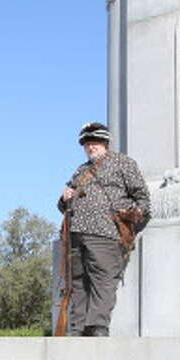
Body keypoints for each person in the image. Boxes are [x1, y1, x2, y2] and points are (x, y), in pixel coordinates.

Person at [57, 122, 150, 336]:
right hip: (76, 234)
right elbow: (62, 206)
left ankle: (97, 326)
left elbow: (143, 198)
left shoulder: (123, 163)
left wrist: (130, 219)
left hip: (105, 231)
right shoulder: (81, 170)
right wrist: (64, 198)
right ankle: (77, 328)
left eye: (95, 142)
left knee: (103, 281)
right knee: (78, 283)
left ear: (105, 143)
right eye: (87, 143)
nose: (91, 147)